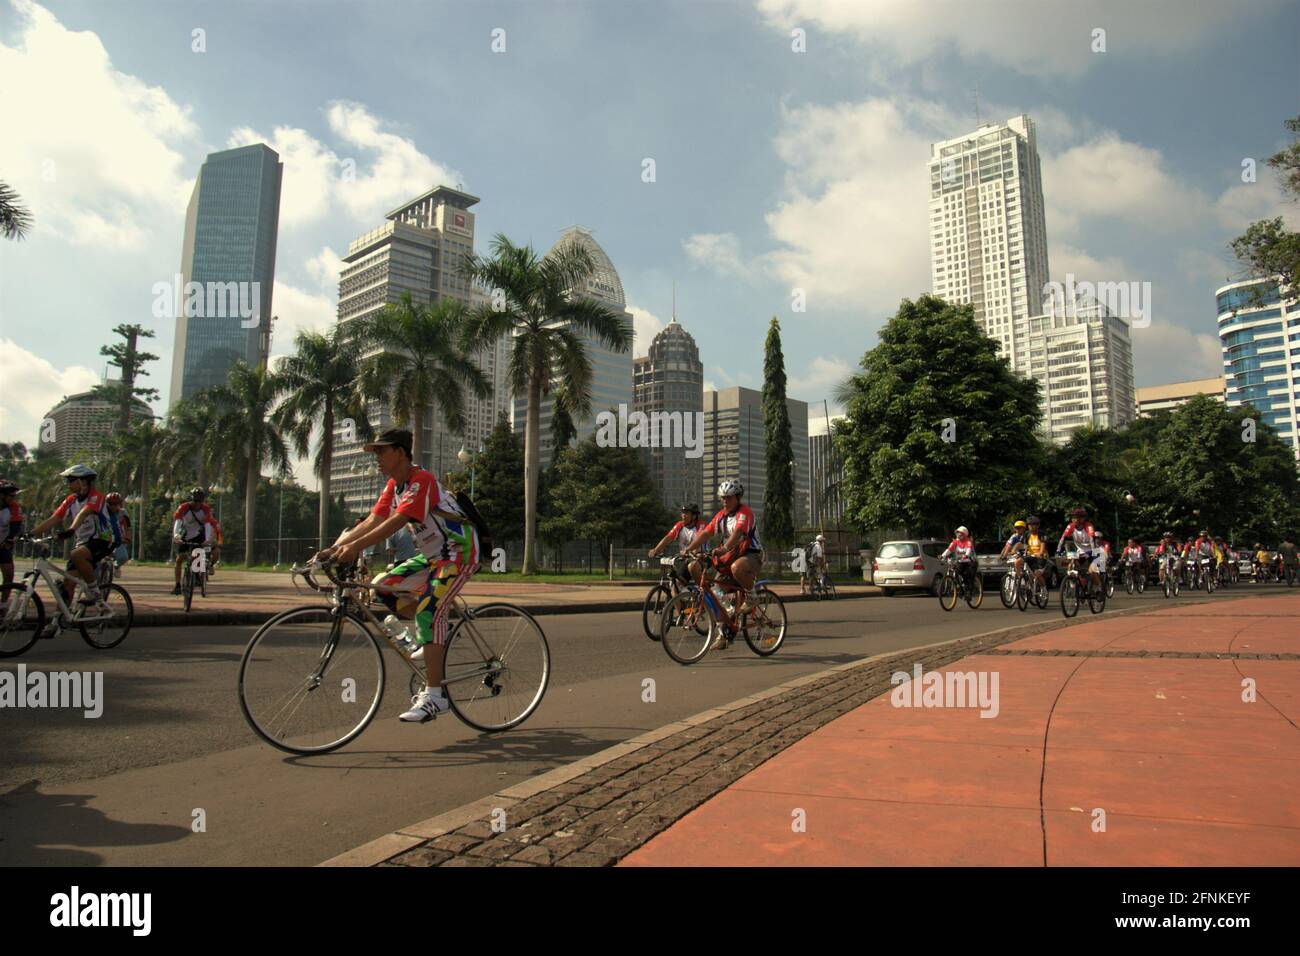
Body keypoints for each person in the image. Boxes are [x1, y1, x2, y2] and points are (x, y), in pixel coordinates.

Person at [316, 428, 482, 723]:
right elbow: (373, 520)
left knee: (429, 611)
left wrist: (354, 548)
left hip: (459, 551)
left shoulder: (422, 481)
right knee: (382, 586)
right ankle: (428, 638)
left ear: (401, 452)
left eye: (381, 451)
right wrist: (331, 550)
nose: (376, 458)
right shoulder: (394, 486)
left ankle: (435, 696)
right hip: (433, 557)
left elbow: (398, 521)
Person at [27, 464, 114, 635]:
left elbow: (84, 513)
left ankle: (96, 594)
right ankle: (56, 623)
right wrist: (30, 533)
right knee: (67, 585)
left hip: (102, 540)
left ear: (83, 482)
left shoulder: (97, 497)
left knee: (76, 554)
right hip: (83, 543)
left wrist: (72, 529)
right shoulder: (71, 499)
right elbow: (55, 518)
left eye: (72, 480)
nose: (69, 484)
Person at [685, 480, 763, 650]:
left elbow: (738, 532)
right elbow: (707, 532)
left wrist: (725, 547)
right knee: (716, 593)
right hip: (730, 557)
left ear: (737, 497)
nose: (725, 501)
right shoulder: (721, 515)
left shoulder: (745, 513)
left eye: (728, 497)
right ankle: (724, 632)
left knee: (737, 568)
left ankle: (752, 596)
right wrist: (689, 548)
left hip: (751, 556)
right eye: (722, 498)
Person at [648, 504, 709, 590]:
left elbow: (699, 540)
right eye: (682, 513)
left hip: (702, 559)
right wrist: (656, 550)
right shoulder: (680, 525)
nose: (683, 515)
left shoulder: (701, 525)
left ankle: (705, 592)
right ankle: (682, 600)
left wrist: (691, 551)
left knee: (693, 568)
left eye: (686, 513)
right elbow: (668, 537)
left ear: (694, 516)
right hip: (687, 559)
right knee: (675, 586)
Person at [172, 488, 216, 594]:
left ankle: (196, 576)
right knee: (179, 560)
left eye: (199, 502)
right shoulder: (183, 507)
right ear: (190, 500)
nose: (197, 504)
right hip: (185, 534)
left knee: (199, 554)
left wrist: (207, 539)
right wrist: (176, 535)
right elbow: (178, 521)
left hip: (199, 535)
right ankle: (177, 585)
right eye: (195, 501)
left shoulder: (205, 509)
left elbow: (207, 525)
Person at [1056, 507, 1104, 591]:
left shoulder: (1088, 526)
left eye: (1077, 517)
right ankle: (1074, 584)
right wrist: (1058, 550)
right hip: (1081, 552)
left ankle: (1099, 587)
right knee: (1072, 565)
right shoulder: (1071, 526)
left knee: (1092, 571)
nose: (1075, 520)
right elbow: (1063, 538)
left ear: (1083, 519)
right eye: (1073, 517)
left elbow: (1092, 540)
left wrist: (1093, 554)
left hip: (1094, 551)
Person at [940, 525, 978, 595]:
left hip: (971, 562)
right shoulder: (955, 542)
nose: (958, 534)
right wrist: (942, 556)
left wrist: (966, 555)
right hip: (961, 561)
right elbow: (949, 549)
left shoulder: (968, 542)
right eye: (957, 533)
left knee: (968, 575)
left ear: (964, 535)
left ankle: (969, 591)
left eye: (960, 533)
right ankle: (959, 587)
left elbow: (969, 549)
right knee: (957, 571)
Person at [0, 479, 24, 587]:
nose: (13, 499)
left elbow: (16, 526)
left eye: (15, 496)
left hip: (2, 544)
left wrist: (10, 539)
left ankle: (4, 603)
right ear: (1, 495)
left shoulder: (14, 507)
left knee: (9, 574)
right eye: (11, 496)